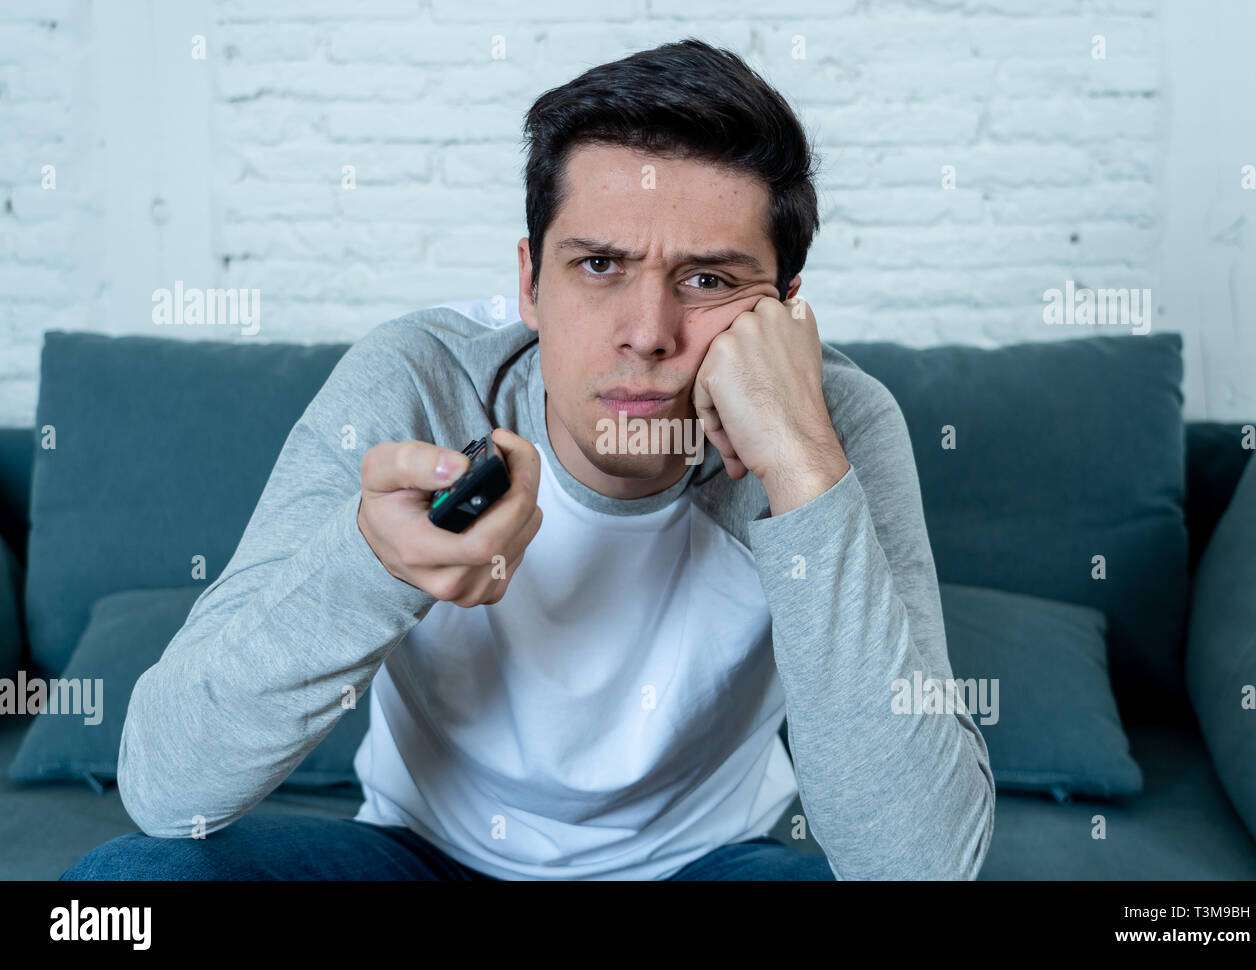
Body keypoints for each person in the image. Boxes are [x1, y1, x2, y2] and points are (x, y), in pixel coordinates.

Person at [62, 37, 994, 882]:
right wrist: (374, 564)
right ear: (528, 283)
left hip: (707, 866)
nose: (647, 334)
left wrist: (800, 468)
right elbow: (165, 787)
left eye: (708, 280)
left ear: (788, 313)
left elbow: (917, 868)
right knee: (127, 888)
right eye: (599, 266)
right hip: (421, 859)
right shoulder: (416, 384)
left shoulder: (838, 427)